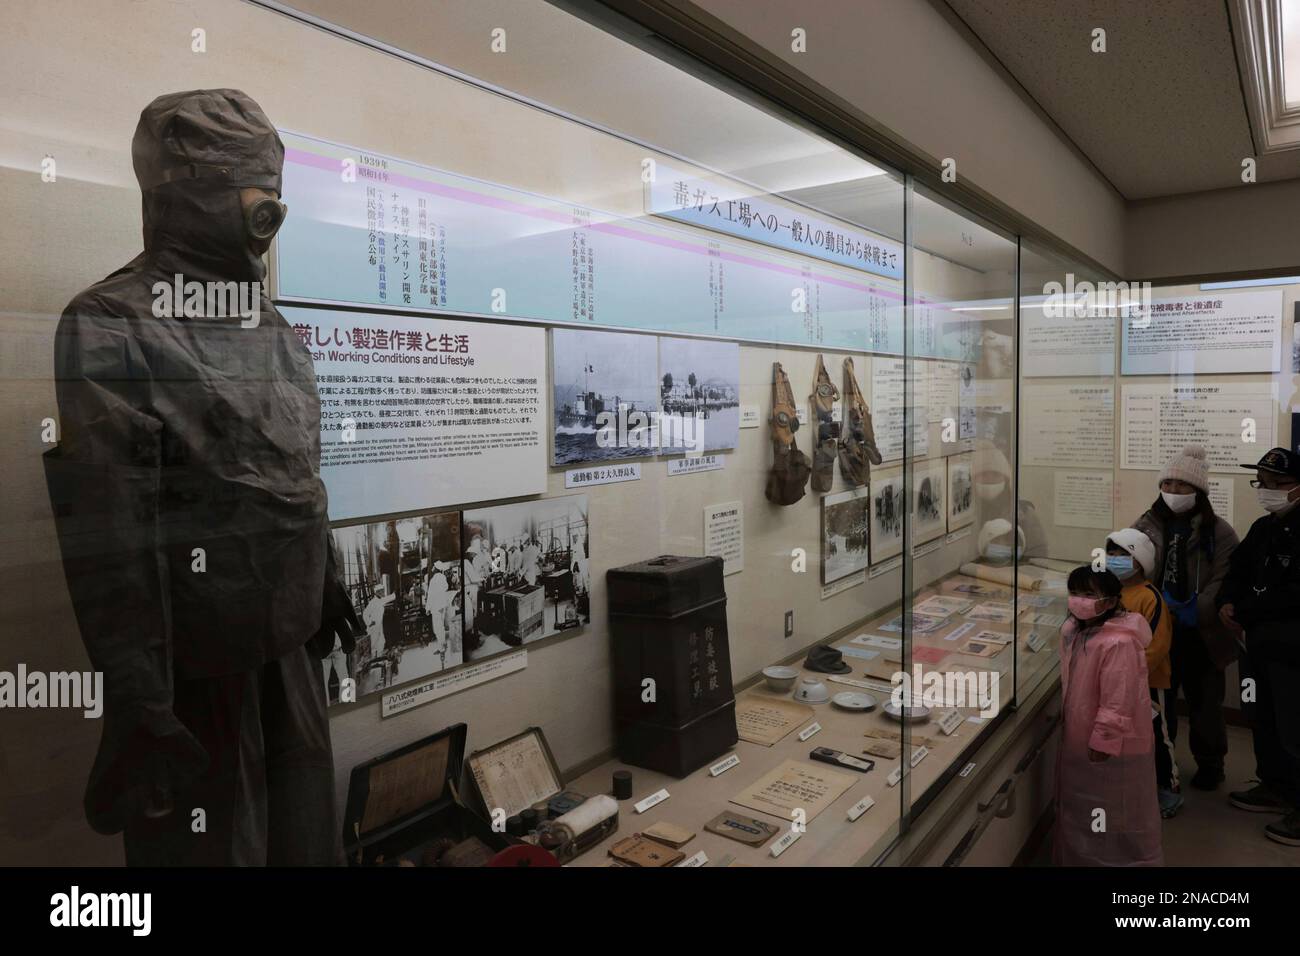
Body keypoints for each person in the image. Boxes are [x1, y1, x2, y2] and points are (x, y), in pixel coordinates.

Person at [42, 90, 357, 865]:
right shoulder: (113, 321)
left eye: (271, 186)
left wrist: (326, 575)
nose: (267, 208)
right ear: (183, 193)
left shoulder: (271, 328)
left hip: (290, 652)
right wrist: (139, 694)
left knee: (303, 838)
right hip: (197, 674)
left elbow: (300, 476)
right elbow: (112, 532)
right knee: (216, 850)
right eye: (245, 185)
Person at [1132, 445, 1239, 791]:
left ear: (1200, 491)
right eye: (1169, 484)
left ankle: (1211, 764)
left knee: (1205, 705)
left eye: (1183, 486)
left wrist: (1199, 608)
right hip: (1157, 631)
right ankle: (1163, 763)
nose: (1174, 492)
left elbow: (1226, 579)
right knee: (1159, 702)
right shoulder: (1146, 524)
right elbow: (1131, 564)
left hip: (1202, 634)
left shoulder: (1220, 533)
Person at [1216, 447, 1300, 846]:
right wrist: (1226, 603)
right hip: (1257, 647)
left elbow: (1293, 594)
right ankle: (1275, 786)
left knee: (1294, 726)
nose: (1267, 490)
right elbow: (1237, 571)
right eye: (1262, 482)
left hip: (1292, 651)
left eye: (1277, 484)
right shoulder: (1262, 528)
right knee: (1262, 718)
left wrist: (1245, 610)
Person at [1053, 567, 1162, 867]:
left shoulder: (1119, 642)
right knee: (1086, 808)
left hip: (1112, 747)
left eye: (1089, 595)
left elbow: (1118, 700)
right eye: (1075, 593)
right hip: (1081, 737)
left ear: (1111, 601)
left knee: (1115, 812)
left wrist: (1104, 739)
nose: (1079, 601)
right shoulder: (1077, 630)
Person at [1106, 529, 1178, 817]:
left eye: (1123, 554)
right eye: (1111, 553)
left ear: (1141, 560)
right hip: (1117, 679)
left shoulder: (1150, 597)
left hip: (1149, 682)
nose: (1115, 559)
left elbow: (1157, 645)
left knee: (1157, 735)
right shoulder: (1111, 592)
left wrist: (1130, 673)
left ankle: (1168, 788)